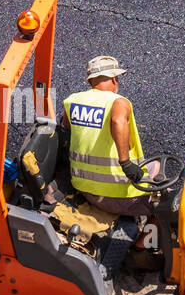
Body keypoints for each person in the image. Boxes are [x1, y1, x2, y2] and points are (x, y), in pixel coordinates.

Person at [59, 55, 158, 220]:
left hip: (83, 186)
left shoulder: (72, 101)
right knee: (172, 205)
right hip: (115, 193)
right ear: (114, 78)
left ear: (90, 81)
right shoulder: (118, 102)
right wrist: (126, 164)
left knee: (155, 165)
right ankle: (142, 244)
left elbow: (66, 127)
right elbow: (118, 120)